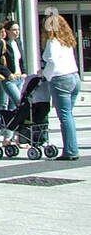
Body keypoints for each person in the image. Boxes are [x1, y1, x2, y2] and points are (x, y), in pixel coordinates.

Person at [41, 12, 81, 160]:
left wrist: (44, 75)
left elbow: (52, 61)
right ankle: (72, 147)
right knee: (68, 115)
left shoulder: (53, 42)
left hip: (61, 78)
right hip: (74, 76)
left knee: (64, 116)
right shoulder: (66, 41)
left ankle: (70, 150)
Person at [0, 20, 27, 109]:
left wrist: (24, 72)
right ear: (7, 31)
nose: (17, 32)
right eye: (14, 30)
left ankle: (12, 122)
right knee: (19, 102)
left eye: (18, 29)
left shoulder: (18, 42)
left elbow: (21, 59)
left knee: (14, 107)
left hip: (20, 78)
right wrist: (8, 74)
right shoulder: (2, 43)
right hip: (10, 79)